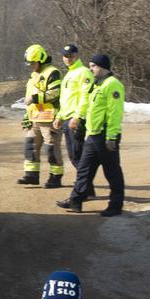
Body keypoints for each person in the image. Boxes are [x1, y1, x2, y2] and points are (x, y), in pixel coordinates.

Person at [56, 53, 125, 215]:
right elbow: (87, 104)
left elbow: (115, 113)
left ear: (102, 67)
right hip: (93, 135)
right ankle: (76, 200)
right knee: (84, 169)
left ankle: (115, 206)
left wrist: (111, 137)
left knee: (112, 172)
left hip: (105, 136)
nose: (90, 68)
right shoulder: (97, 84)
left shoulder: (112, 85)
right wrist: (79, 119)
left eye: (93, 66)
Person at [19, 44, 64, 188]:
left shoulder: (53, 72)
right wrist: (27, 115)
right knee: (30, 146)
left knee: (51, 149)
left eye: (33, 63)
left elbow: (55, 93)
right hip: (35, 119)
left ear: (41, 60)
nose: (31, 66)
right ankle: (31, 175)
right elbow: (28, 97)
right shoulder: (34, 75)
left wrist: (35, 98)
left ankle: (55, 177)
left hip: (50, 119)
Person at [55, 44, 95, 200]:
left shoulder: (83, 72)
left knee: (78, 156)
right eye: (65, 56)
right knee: (74, 156)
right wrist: (59, 116)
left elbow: (86, 97)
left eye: (71, 56)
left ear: (77, 55)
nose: (68, 59)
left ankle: (84, 190)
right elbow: (66, 100)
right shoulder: (69, 74)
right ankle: (87, 189)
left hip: (76, 120)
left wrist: (78, 117)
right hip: (67, 118)